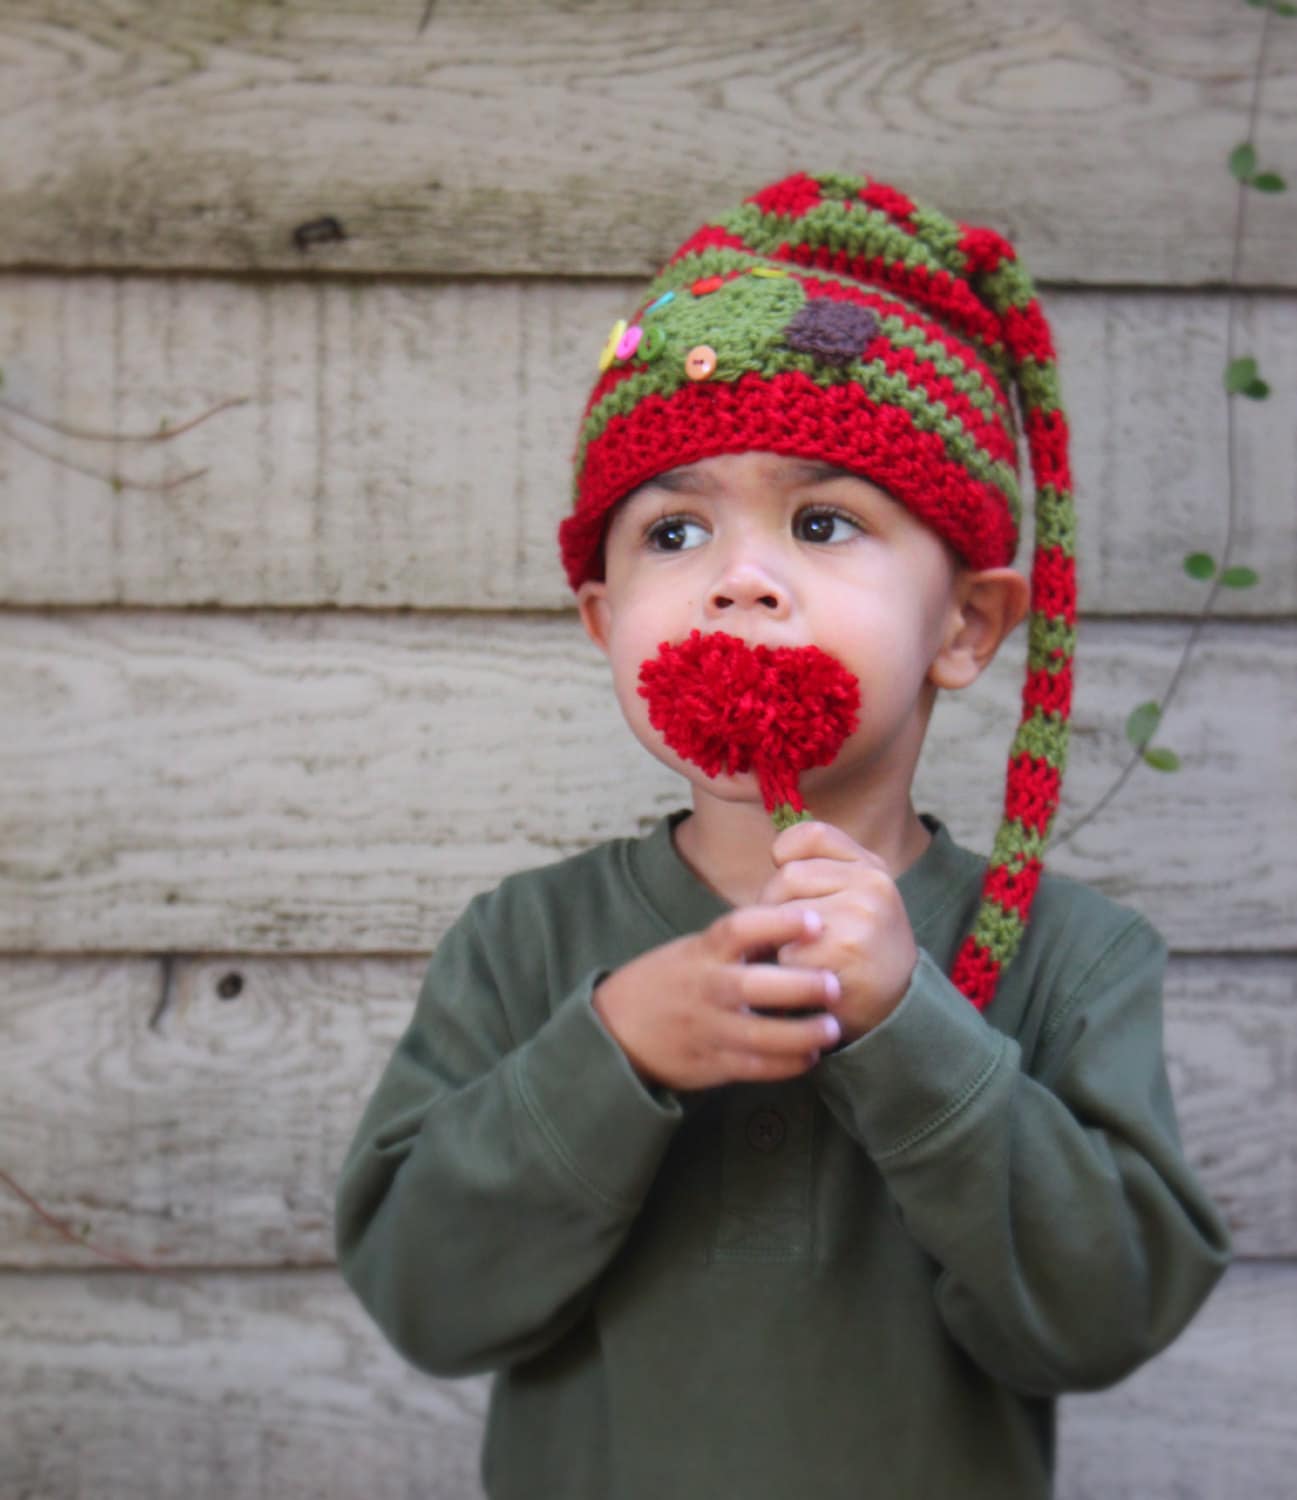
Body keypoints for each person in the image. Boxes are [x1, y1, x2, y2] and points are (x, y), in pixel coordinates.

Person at [334, 169, 1232, 1499]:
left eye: (822, 522)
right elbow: (429, 1301)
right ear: (602, 619)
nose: (738, 576)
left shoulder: (1069, 959)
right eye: (673, 528)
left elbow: (1092, 1322)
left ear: (966, 627)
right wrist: (610, 1052)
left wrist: (912, 1034)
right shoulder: (524, 944)